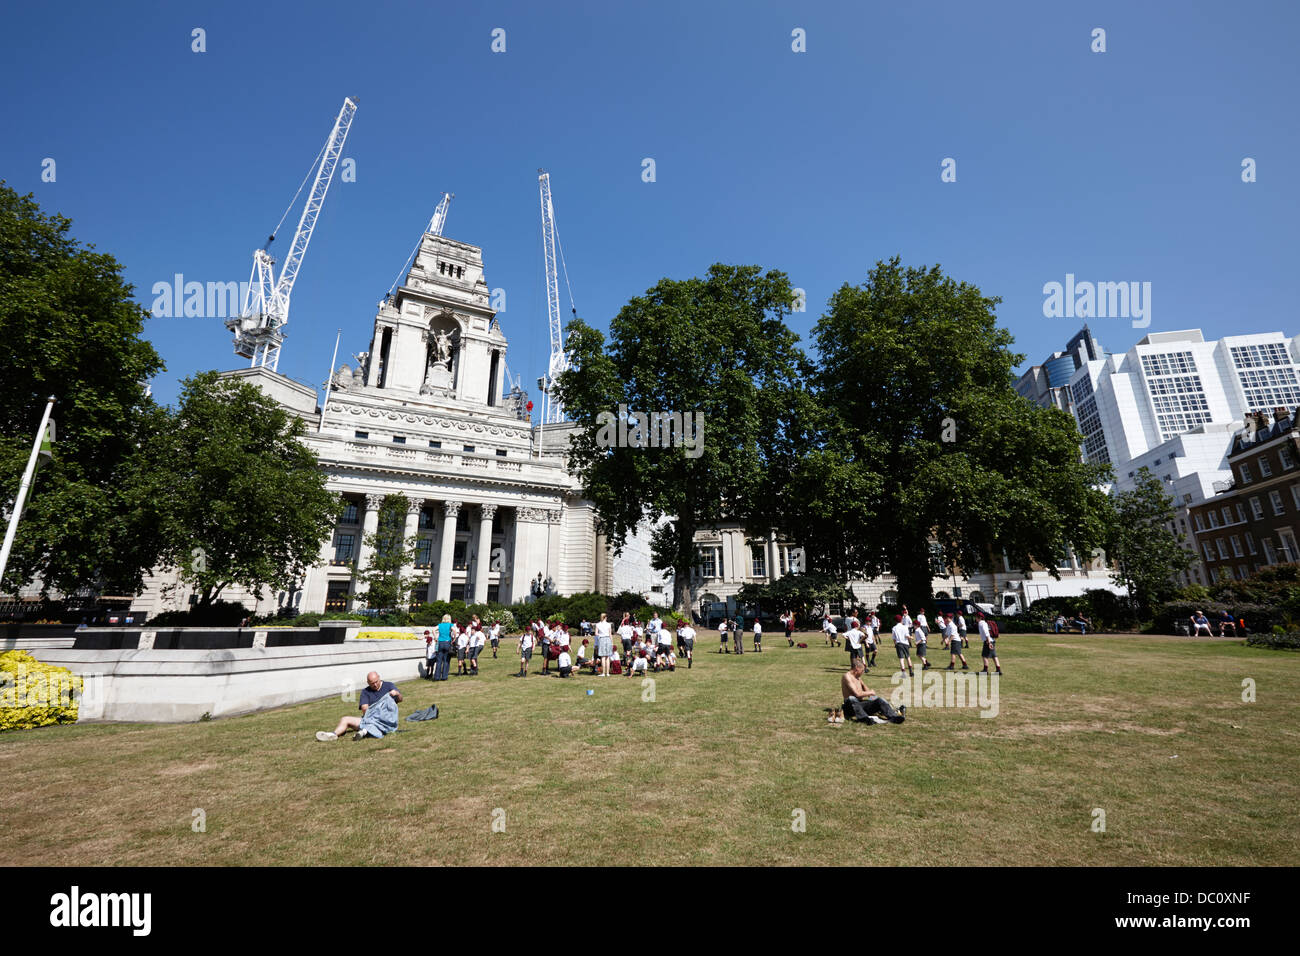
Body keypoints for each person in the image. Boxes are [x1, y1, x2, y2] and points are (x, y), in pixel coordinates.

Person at [316, 671, 403, 741]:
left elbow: (400, 699)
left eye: (376, 682)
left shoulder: (389, 685)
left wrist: (397, 693)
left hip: (386, 720)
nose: (375, 685)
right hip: (369, 719)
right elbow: (365, 709)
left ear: (379, 678)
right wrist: (369, 712)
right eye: (372, 683)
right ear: (368, 682)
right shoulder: (365, 692)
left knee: (374, 722)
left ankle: (365, 731)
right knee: (345, 719)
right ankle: (333, 734)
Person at [841, 659, 905, 724]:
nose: (863, 672)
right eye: (862, 670)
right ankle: (864, 719)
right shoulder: (847, 676)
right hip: (849, 707)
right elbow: (857, 694)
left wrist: (875, 699)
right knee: (851, 698)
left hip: (859, 706)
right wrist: (870, 692)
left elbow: (866, 689)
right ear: (857, 668)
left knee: (880, 700)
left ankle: (894, 717)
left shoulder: (858, 677)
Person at [433, 614, 453, 681]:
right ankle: (444, 676)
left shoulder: (440, 625)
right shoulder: (450, 625)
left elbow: (433, 630)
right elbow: (455, 630)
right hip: (447, 642)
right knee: (446, 660)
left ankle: (437, 677)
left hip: (440, 643)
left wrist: (436, 637)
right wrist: (454, 638)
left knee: (439, 661)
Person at [594, 612, 614, 677]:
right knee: (607, 657)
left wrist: (601, 634)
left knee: (603, 657)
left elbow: (596, 633)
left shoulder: (598, 624)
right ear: (605, 617)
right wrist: (612, 642)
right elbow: (610, 634)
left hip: (601, 639)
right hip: (608, 639)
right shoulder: (609, 624)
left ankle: (603, 673)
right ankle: (607, 673)